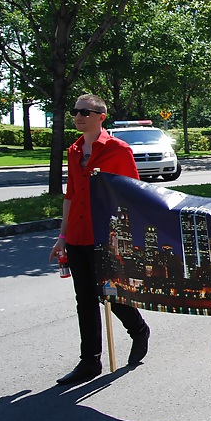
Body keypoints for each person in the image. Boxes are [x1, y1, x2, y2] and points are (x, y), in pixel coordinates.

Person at [50, 94, 151, 386]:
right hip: (78, 237)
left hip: (105, 236)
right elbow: (70, 195)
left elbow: (132, 193)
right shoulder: (74, 150)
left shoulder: (117, 150)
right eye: (75, 111)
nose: (78, 116)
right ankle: (90, 361)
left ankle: (138, 330)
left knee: (112, 294)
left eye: (85, 111)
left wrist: (129, 235)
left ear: (100, 116)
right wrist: (62, 236)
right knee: (85, 300)